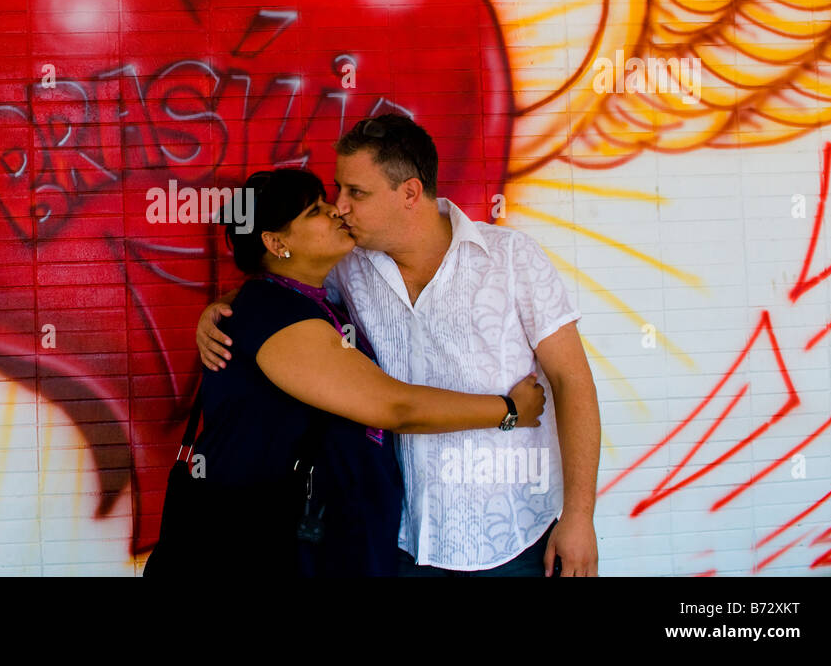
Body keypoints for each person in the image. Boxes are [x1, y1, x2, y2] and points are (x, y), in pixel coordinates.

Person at [198, 114, 601, 577]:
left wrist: (579, 517)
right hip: (402, 544)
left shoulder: (512, 258)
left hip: (516, 539)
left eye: (357, 193)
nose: (340, 207)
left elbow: (572, 382)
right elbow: (281, 289)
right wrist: (219, 309)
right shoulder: (349, 266)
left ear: (410, 193)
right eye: (336, 191)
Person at [153, 167, 546, 577]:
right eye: (315, 211)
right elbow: (395, 407)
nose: (337, 210)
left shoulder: (299, 303)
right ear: (276, 241)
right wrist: (508, 410)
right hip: (262, 550)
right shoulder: (272, 314)